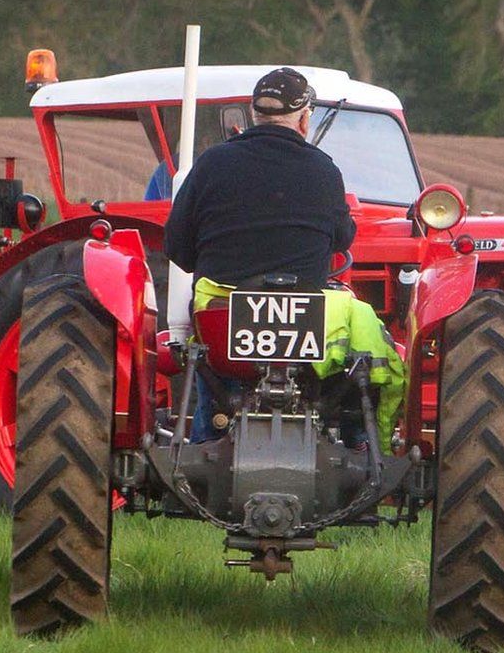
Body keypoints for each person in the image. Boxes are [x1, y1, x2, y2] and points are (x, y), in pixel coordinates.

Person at [164, 68, 405, 439]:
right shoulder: (323, 170)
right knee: (363, 338)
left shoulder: (212, 163)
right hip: (308, 318)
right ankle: (360, 439)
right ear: (305, 119)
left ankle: (206, 439)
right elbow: (342, 238)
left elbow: (177, 247)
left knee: (211, 381)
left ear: (252, 114)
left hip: (222, 317)